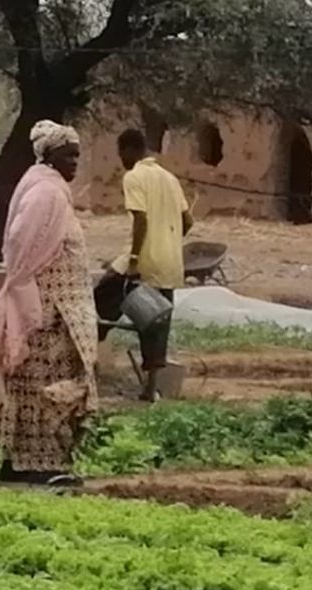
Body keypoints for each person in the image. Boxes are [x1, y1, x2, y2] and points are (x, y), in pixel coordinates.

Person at [0, 120, 98, 484]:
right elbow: (20, 247)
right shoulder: (45, 193)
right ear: (48, 156)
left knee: (40, 384)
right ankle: (35, 465)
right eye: (67, 155)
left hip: (57, 312)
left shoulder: (53, 190)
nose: (75, 162)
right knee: (41, 387)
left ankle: (26, 463)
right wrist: (35, 302)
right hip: (45, 313)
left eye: (77, 155)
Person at [95, 127, 192, 401]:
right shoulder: (170, 179)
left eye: (121, 154)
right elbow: (188, 222)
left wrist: (136, 258)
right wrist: (169, 242)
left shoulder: (134, 176)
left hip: (140, 265)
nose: (121, 160)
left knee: (98, 305)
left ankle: (86, 366)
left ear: (128, 150)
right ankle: (150, 391)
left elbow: (141, 220)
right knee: (156, 326)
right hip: (169, 266)